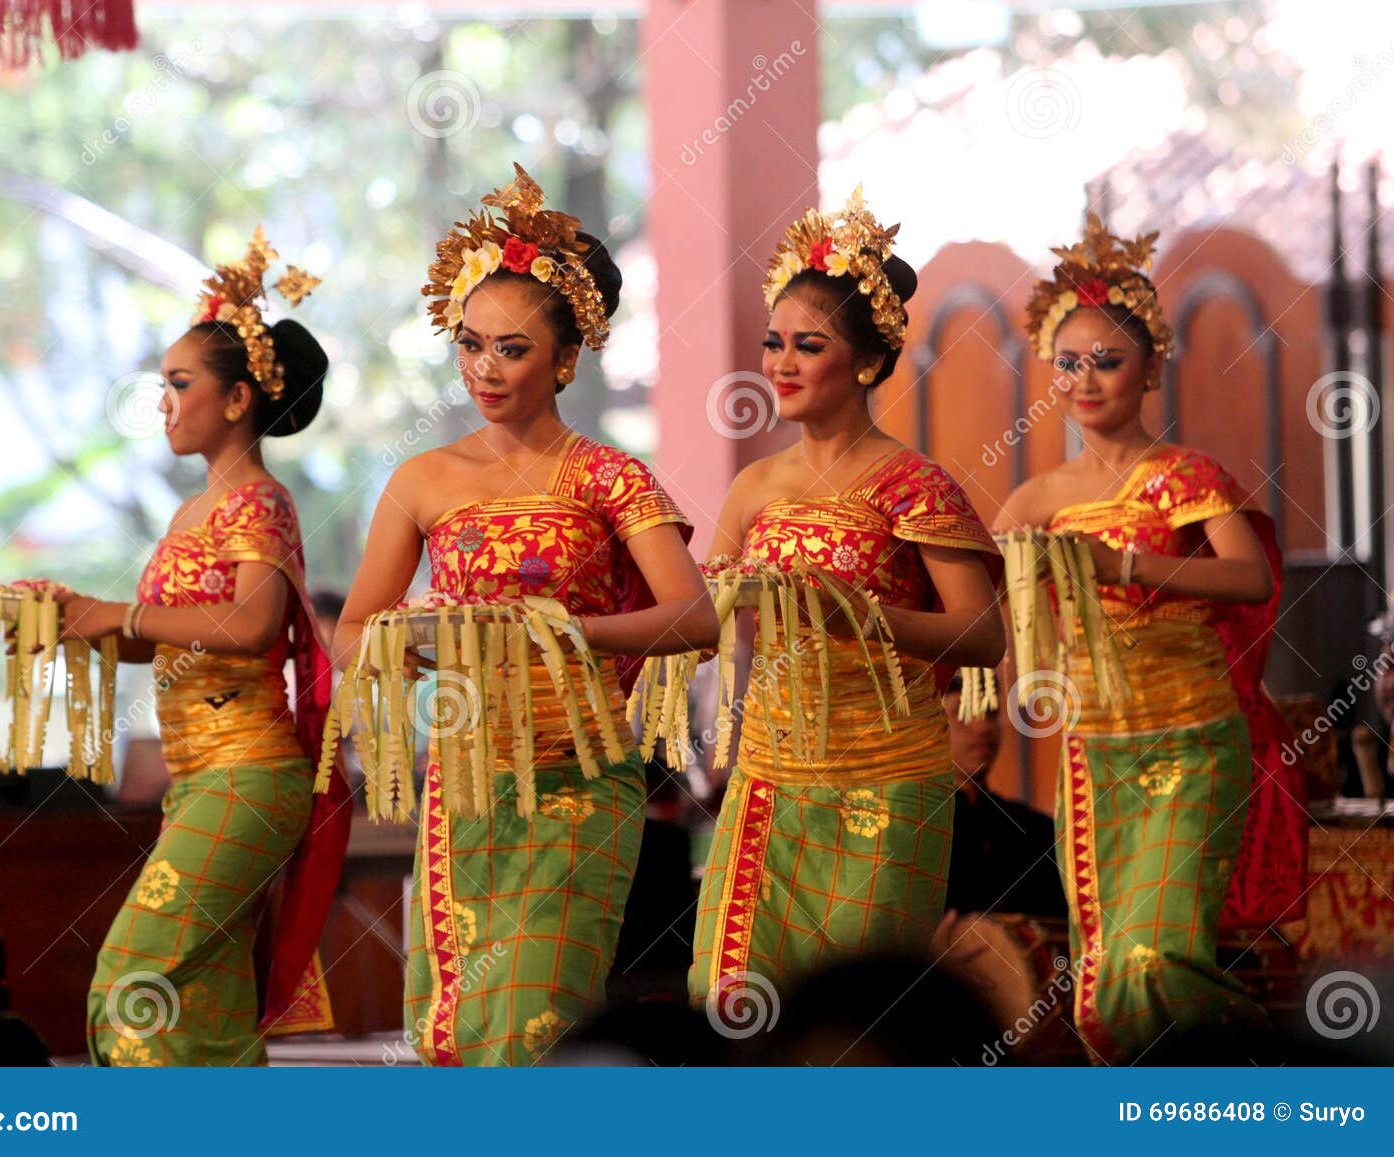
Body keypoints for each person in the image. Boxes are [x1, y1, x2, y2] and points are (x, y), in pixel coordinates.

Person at [329, 166, 717, 1065]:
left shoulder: (609, 476)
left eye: (511, 349)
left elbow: (694, 619)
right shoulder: (423, 478)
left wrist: (561, 632)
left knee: (534, 1025)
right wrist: (418, 641)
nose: (483, 369)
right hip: (462, 785)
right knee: (457, 1033)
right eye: (469, 344)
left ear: (566, 359)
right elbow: (351, 634)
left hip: (579, 780)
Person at [689, 188, 1005, 1011]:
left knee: (855, 1023)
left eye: (809, 345)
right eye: (774, 343)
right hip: (768, 775)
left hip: (886, 782)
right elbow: (702, 619)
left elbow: (982, 634)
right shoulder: (755, 486)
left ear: (865, 362)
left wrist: (859, 615)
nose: (781, 363)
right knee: (729, 997)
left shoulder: (913, 483)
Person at [995, 214, 1290, 1063]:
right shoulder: (1035, 499)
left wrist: (1123, 565)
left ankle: (1276, 1081)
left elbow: (1251, 576)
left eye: (1107, 360)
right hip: (1094, 753)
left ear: (1151, 367)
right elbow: (987, 614)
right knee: (1102, 987)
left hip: (1192, 740)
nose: (1085, 380)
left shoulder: (1184, 476)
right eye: (1068, 363)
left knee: (1153, 958)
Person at [58, 229, 352, 1064]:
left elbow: (253, 625)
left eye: (180, 384)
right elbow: (165, 642)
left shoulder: (259, 500)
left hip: (247, 773)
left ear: (237, 399)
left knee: (134, 981)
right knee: (203, 1009)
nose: (164, 403)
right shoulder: (192, 514)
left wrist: (122, 613)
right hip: (201, 779)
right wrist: (72, 621)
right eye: (163, 384)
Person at [942, 673, 1067, 918]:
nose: (982, 727)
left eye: (990, 712)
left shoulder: (1037, 830)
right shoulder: (913, 826)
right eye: (962, 712)